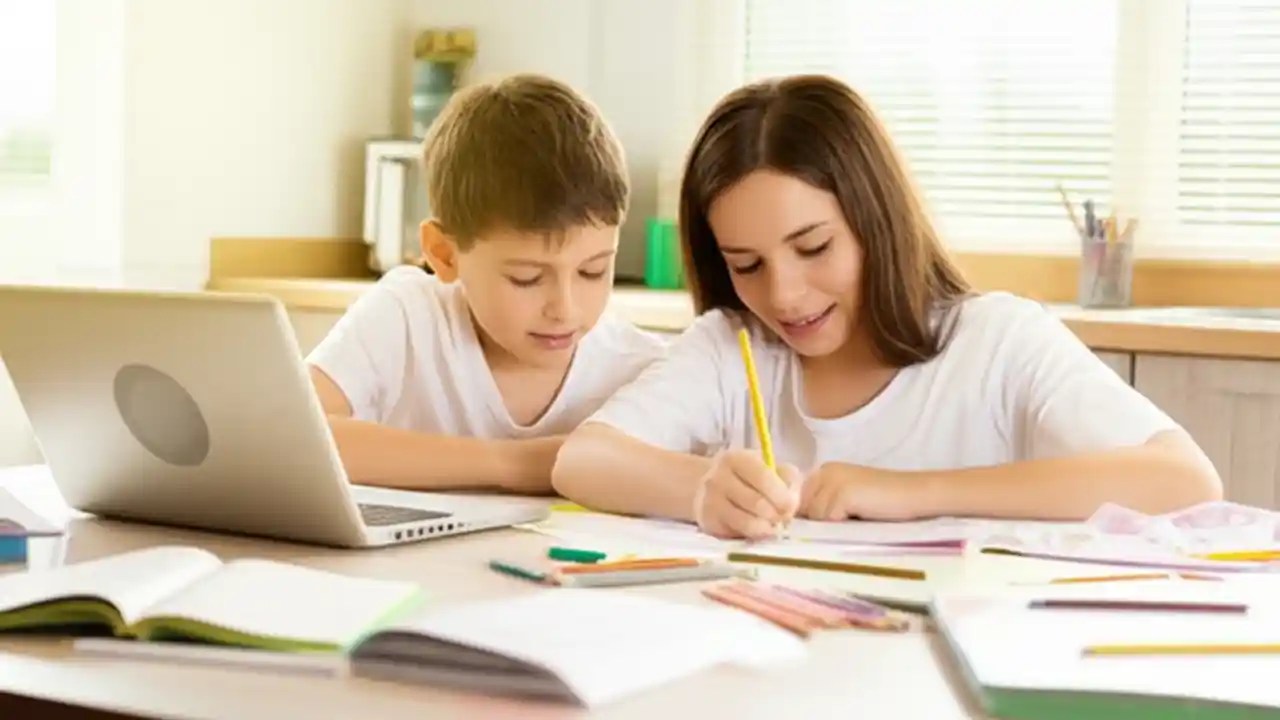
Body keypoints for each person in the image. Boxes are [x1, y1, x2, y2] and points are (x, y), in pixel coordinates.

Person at [552, 74, 1221, 538]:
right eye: (746, 265)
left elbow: (1183, 480)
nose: (782, 294)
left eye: (813, 247)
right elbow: (583, 460)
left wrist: (912, 493)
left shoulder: (995, 339)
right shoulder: (736, 346)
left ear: (876, 220)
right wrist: (700, 490)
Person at [307, 74, 666, 493]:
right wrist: (515, 465)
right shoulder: (406, 316)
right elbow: (294, 433)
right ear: (444, 254)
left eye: (593, 270)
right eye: (526, 278)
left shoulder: (640, 369)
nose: (565, 308)